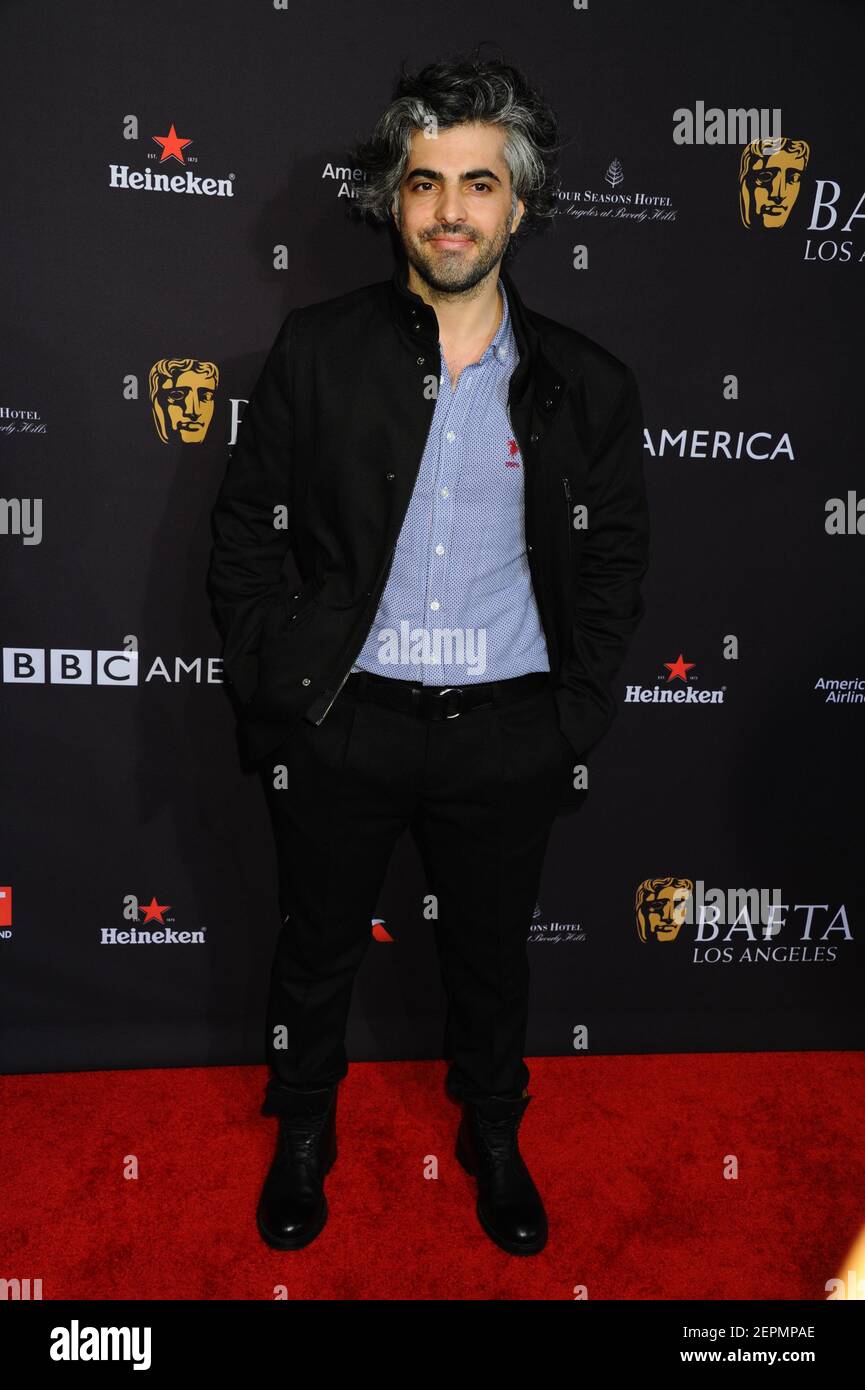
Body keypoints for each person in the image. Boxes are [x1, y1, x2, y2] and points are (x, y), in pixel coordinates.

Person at [206, 53, 650, 1257]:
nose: (450, 209)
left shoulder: (586, 385)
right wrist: (275, 680)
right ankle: (304, 1131)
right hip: (342, 719)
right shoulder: (319, 349)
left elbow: (613, 564)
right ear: (394, 201)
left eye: (479, 183)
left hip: (507, 727)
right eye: (425, 183)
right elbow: (244, 526)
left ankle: (492, 1135)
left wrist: (575, 713)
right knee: (315, 952)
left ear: (520, 203)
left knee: (492, 961)